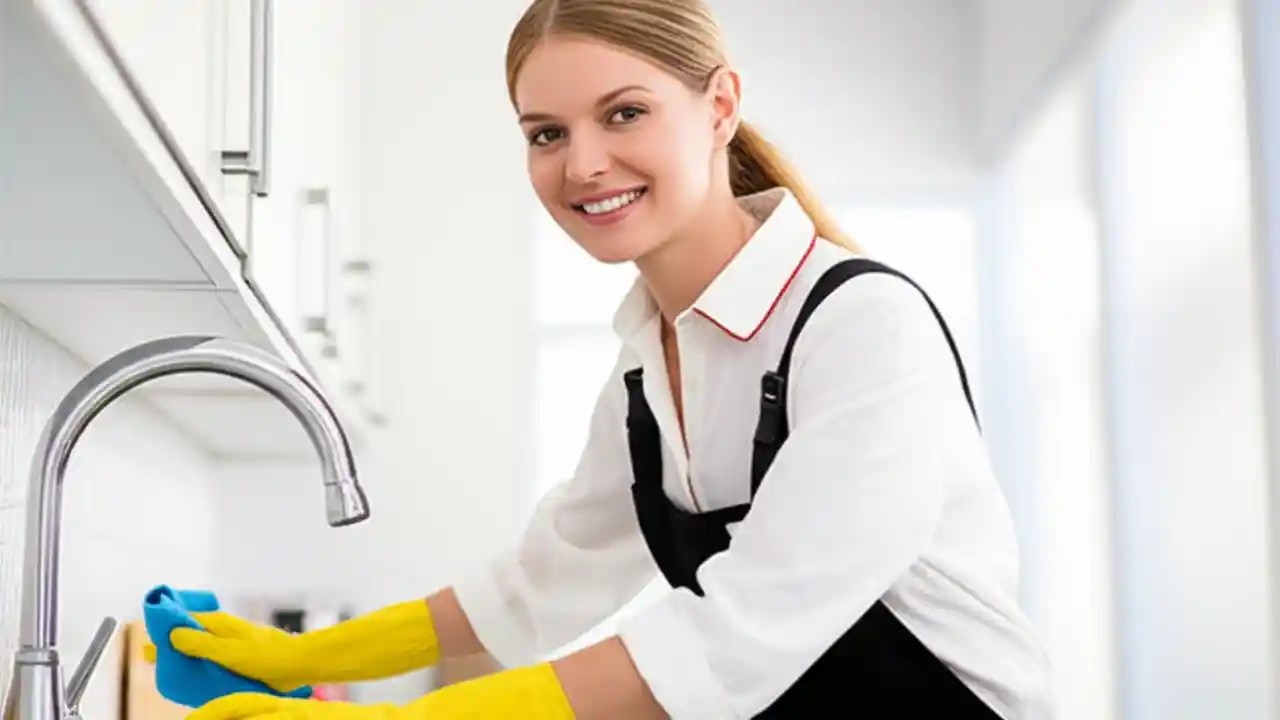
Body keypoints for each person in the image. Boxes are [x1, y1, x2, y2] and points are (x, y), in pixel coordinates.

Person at [174, 1, 1057, 718]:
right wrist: (301, 656)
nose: (584, 164)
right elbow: (541, 585)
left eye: (624, 113)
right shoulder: (649, 363)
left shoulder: (862, 326)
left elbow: (740, 632)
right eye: (545, 133)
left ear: (720, 107)